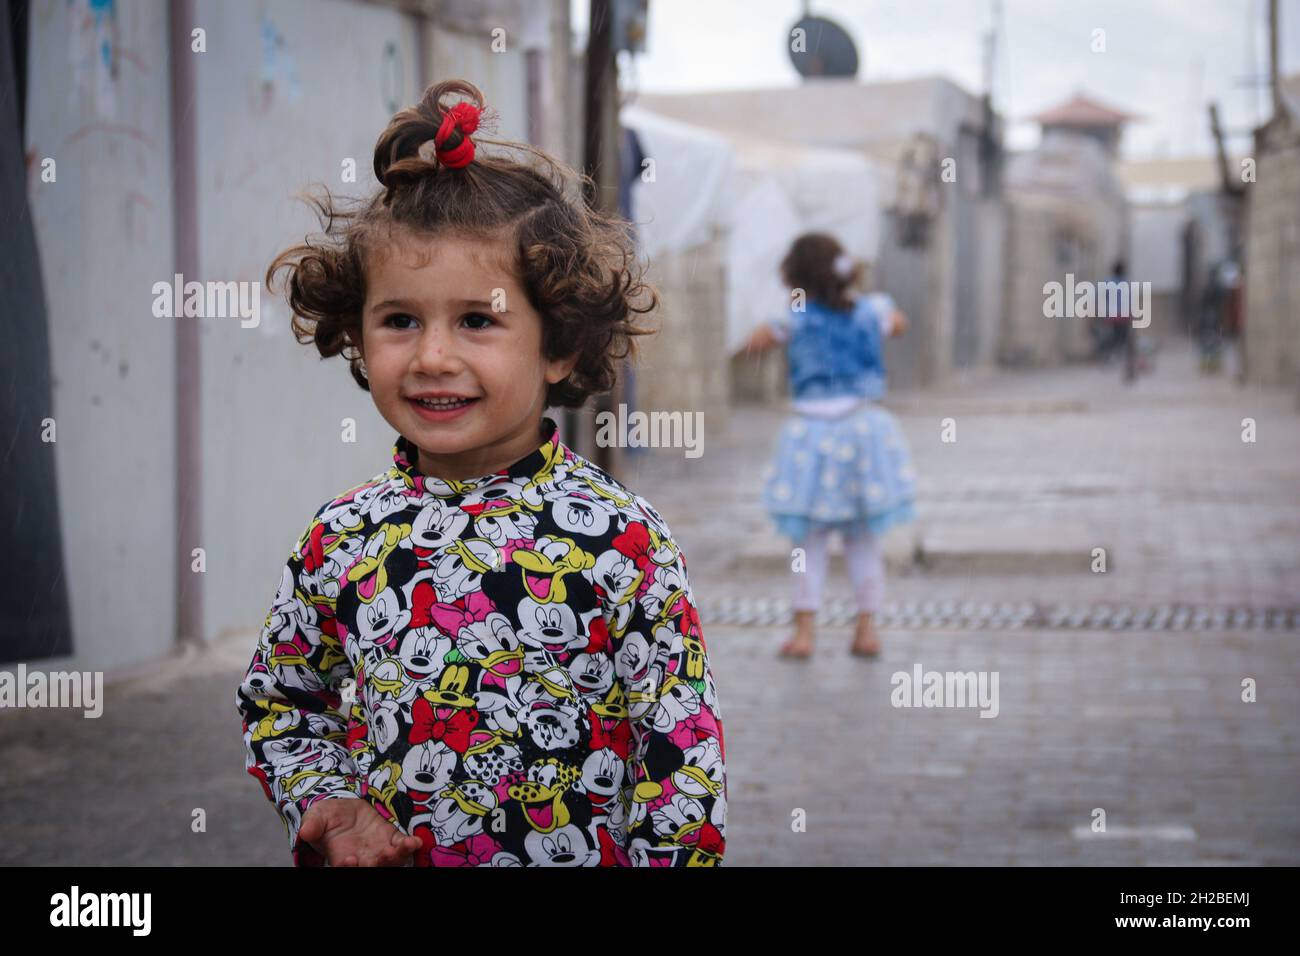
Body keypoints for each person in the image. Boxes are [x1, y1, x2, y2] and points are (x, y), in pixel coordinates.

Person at [236, 79, 726, 867]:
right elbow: (281, 700)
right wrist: (328, 803)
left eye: (477, 320)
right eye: (400, 320)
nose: (433, 356)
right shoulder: (341, 539)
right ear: (359, 336)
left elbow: (683, 765)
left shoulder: (622, 542)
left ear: (559, 343)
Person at [743, 233, 916, 659]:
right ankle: (866, 630)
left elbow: (758, 339)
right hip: (863, 431)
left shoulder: (796, 315)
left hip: (811, 437)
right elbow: (899, 324)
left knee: (808, 541)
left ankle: (804, 634)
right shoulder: (872, 309)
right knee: (862, 539)